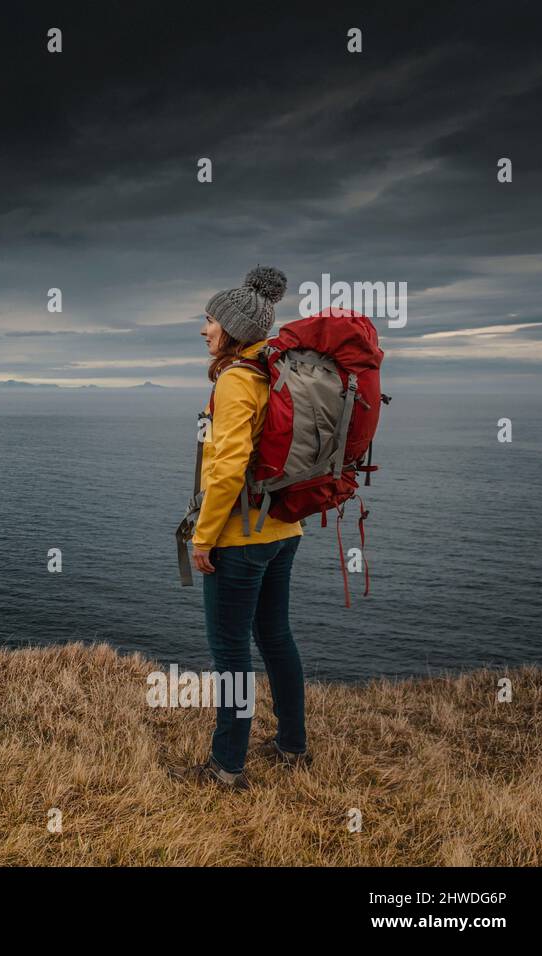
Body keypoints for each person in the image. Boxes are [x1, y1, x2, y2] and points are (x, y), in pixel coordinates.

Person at [170, 266, 311, 790]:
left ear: (232, 328)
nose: (203, 329)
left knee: (230, 652)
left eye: (209, 320)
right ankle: (292, 745)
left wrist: (203, 537)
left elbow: (228, 466)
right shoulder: (276, 372)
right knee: (276, 637)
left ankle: (227, 767)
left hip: (240, 538)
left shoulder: (235, 380)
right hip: (284, 530)